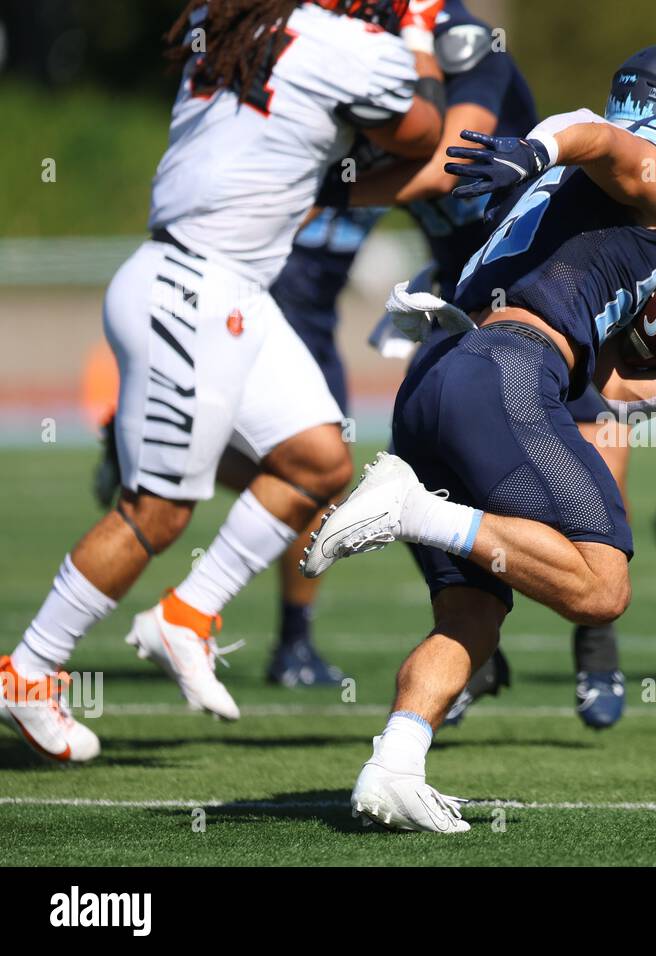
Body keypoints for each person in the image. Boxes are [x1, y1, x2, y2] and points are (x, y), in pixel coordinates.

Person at [302, 44, 656, 832]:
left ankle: (393, 768)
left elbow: (609, 390)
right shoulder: (649, 176)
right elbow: (597, 134)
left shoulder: (581, 213)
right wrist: (537, 146)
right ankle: (409, 510)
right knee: (602, 587)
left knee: (472, 618)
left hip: (444, 375)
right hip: (503, 371)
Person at [0, 0, 444, 761]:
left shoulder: (242, 21)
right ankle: (29, 670)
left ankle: (189, 615)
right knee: (158, 512)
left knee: (319, 463)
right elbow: (422, 128)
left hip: (228, 286)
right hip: (194, 287)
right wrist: (422, 32)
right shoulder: (336, 40)